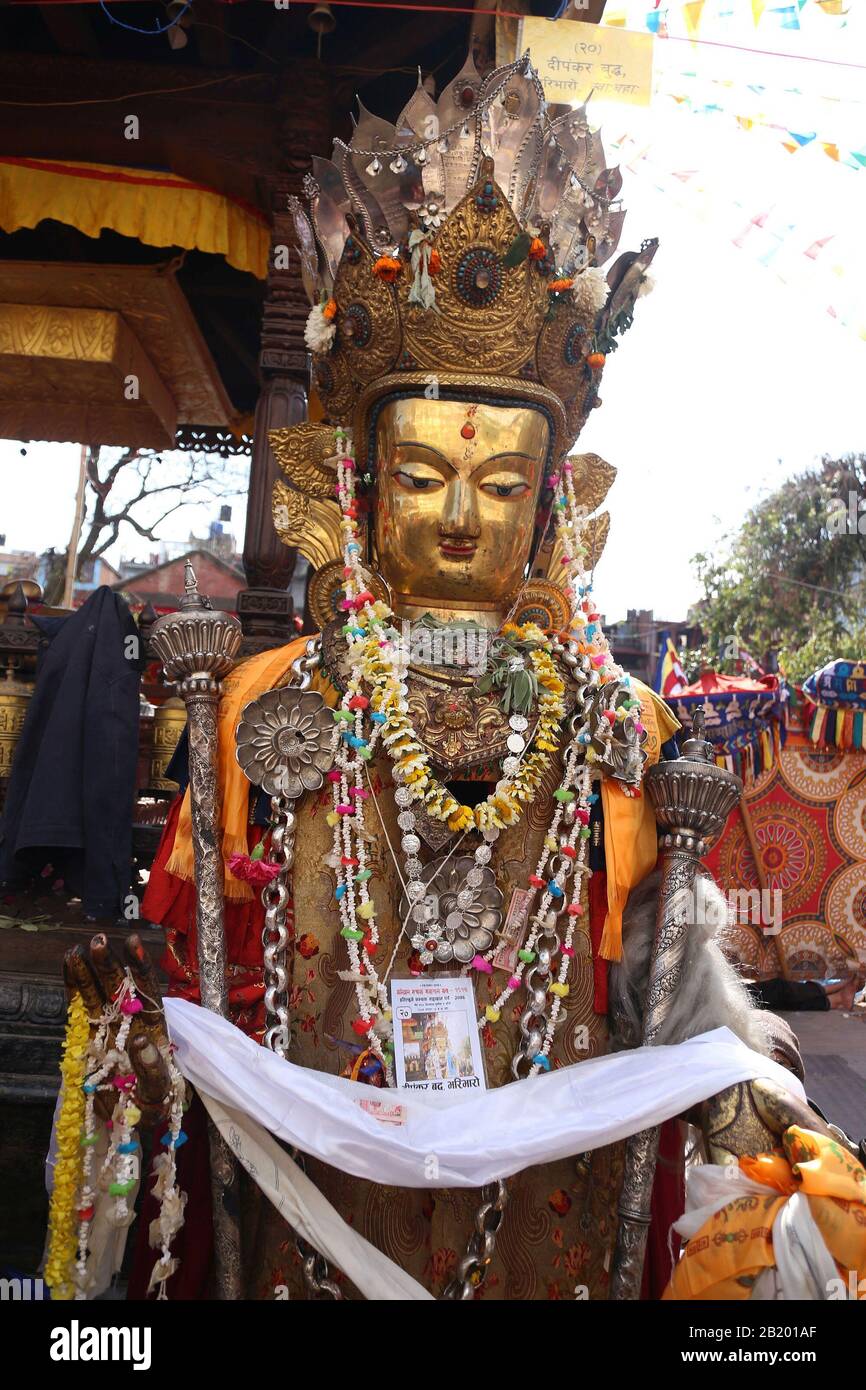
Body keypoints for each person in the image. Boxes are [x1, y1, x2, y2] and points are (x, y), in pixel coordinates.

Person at [53, 49, 865, 1302]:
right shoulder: (262, 700)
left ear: (554, 504)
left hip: (554, 1194)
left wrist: (741, 1105)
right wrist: (142, 1035)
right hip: (316, 1167)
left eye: (497, 486)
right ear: (360, 489)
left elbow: (677, 980)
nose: (456, 520)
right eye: (423, 477)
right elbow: (196, 951)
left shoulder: (621, 722)